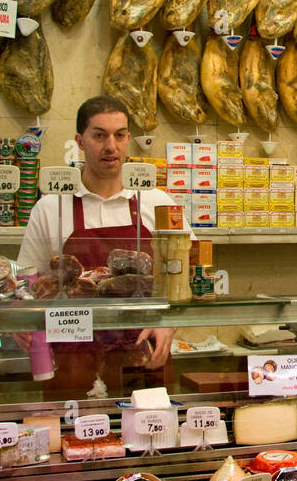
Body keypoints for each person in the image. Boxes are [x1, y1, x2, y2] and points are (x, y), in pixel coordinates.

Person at [16, 96, 179, 394]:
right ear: (80, 141)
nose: (111, 146)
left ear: (129, 138)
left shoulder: (158, 202)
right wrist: (21, 321)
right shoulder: (51, 207)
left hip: (143, 357)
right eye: (99, 135)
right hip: (73, 358)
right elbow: (26, 284)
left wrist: (168, 323)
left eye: (119, 135)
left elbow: (187, 276)